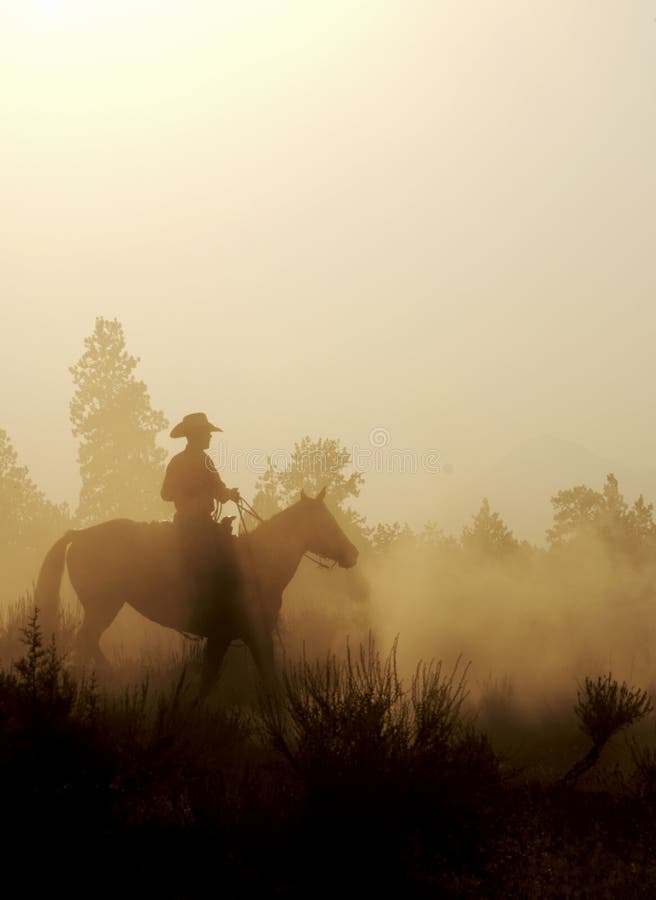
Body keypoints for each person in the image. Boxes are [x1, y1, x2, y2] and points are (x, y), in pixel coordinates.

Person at [161, 412, 241, 628]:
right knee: (219, 557)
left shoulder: (197, 461)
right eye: (207, 433)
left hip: (202, 524)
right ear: (196, 435)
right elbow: (166, 493)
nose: (210, 437)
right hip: (192, 526)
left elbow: (218, 490)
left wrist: (229, 494)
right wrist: (194, 496)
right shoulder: (188, 462)